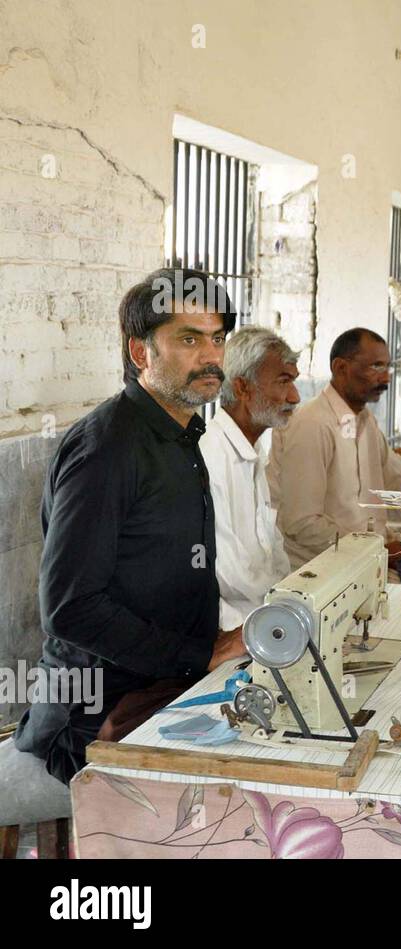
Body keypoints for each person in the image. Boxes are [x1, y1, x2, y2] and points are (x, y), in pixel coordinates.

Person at [14, 268, 244, 783]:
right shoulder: (107, 449)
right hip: (93, 720)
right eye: (189, 339)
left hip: (168, 692)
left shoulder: (179, 435)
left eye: (217, 339)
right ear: (141, 353)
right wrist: (201, 653)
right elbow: (70, 610)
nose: (211, 356)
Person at [268, 328, 401, 572]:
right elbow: (302, 523)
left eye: (387, 367)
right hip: (321, 576)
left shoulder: (365, 421)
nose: (386, 378)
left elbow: (400, 478)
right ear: (340, 368)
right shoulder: (312, 425)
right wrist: (374, 548)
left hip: (367, 564)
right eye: (376, 367)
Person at [200, 327, 300, 633]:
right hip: (234, 632)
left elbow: (272, 552)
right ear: (243, 388)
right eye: (283, 382)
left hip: (264, 619)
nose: (295, 397)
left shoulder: (254, 451)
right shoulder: (212, 455)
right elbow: (226, 575)